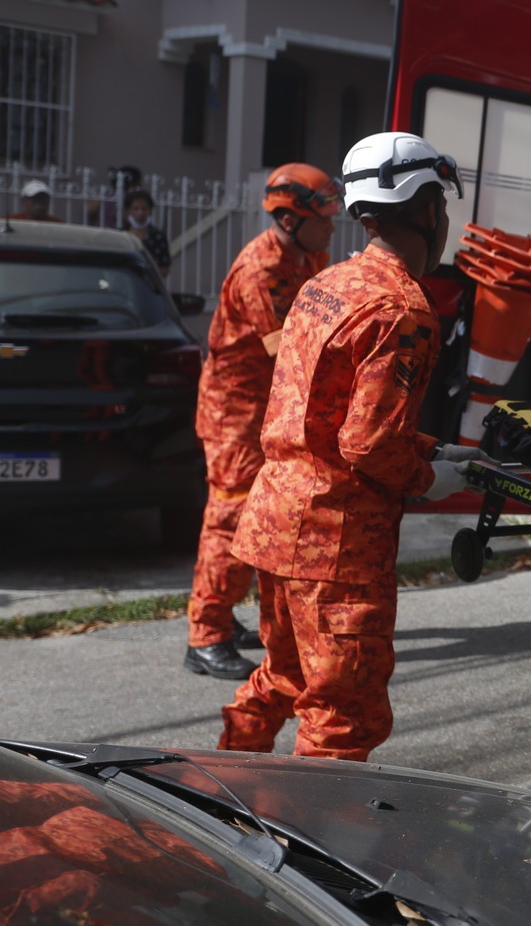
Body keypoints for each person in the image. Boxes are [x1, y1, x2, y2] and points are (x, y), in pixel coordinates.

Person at [218, 132, 481, 762]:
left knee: (282, 677)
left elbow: (322, 412)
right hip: (335, 546)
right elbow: (366, 443)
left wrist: (431, 449)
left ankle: (217, 792)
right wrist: (431, 478)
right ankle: (310, 850)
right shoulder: (403, 309)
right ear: (427, 211)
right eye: (441, 206)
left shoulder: (326, 284)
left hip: (274, 522)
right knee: (343, 715)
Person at [182, 164, 343, 681]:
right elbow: (289, 347)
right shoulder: (262, 271)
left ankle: (229, 620)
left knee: (260, 518)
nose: (334, 227)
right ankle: (205, 636)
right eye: (325, 217)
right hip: (235, 412)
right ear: (290, 218)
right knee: (228, 518)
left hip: (268, 407)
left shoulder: (308, 256)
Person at [122, 189, 171, 277]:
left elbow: (164, 267)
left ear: (150, 210)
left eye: (144, 209)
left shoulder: (157, 235)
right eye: (135, 209)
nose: (140, 213)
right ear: (128, 211)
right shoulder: (122, 234)